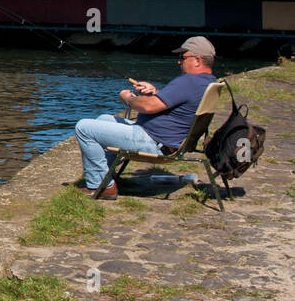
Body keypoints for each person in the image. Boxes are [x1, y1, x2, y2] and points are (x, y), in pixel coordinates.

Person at [73, 36, 217, 199]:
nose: (179, 62)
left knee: (84, 127)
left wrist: (128, 98)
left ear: (197, 60)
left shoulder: (189, 81)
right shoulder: (205, 82)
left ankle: (101, 187)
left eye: (182, 57)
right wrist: (156, 92)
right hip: (164, 140)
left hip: (152, 141)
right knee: (104, 119)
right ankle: (106, 177)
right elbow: (175, 102)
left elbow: (148, 106)